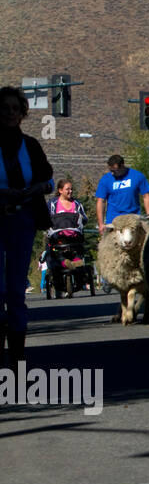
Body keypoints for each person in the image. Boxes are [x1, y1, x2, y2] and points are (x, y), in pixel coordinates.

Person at [1, 86, 53, 367]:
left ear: (22, 113)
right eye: (4, 108)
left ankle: (18, 356)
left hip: (23, 220)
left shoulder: (31, 145)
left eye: (15, 109)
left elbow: (47, 177)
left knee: (16, 288)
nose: (10, 113)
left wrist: (37, 189)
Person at [95, 154, 149, 235]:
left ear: (122, 165)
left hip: (133, 219)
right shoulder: (105, 179)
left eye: (114, 170)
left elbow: (146, 196)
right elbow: (101, 201)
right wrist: (101, 224)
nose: (112, 173)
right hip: (113, 221)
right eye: (111, 170)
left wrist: (148, 217)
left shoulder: (137, 176)